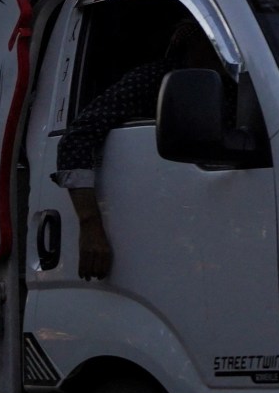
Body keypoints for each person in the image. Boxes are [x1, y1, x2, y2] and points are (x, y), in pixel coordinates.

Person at [54, 19, 221, 279]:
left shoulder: (236, 83)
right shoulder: (154, 80)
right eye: (208, 44)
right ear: (189, 46)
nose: (215, 52)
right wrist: (90, 226)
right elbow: (76, 138)